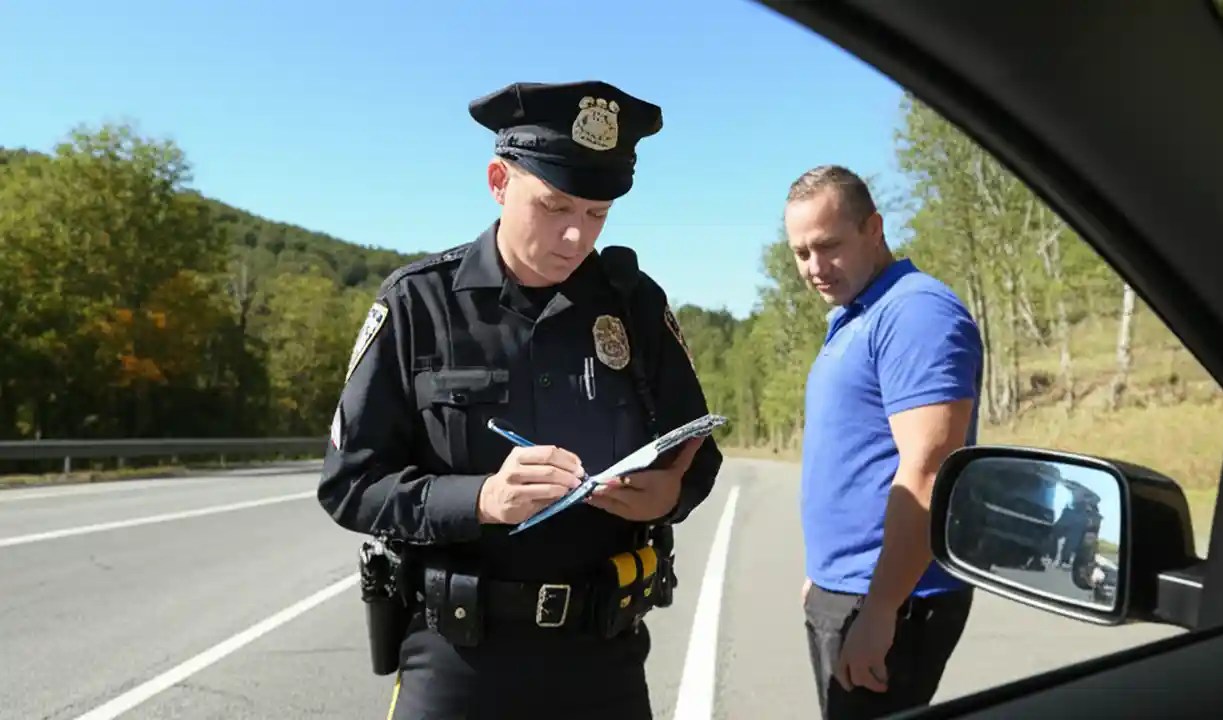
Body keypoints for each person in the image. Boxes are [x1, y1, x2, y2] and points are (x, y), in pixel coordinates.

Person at [317, 79, 723, 720]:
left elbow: (695, 449)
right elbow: (351, 484)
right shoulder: (417, 305)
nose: (575, 238)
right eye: (555, 206)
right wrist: (481, 499)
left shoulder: (634, 306)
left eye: (597, 216)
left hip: (603, 656)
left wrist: (670, 493)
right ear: (499, 181)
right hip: (459, 660)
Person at [784, 164, 984, 719]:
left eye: (828, 246)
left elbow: (929, 467)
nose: (814, 268)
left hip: (900, 598)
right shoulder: (857, 315)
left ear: (873, 228)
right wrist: (825, 575)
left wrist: (878, 610)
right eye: (801, 253)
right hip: (851, 588)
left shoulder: (916, 311)